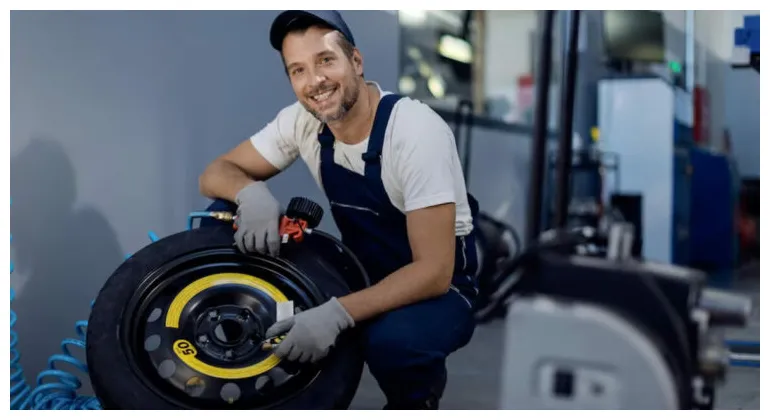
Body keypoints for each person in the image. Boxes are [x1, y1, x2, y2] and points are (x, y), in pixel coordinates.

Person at [198, 10, 480, 409]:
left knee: (394, 343)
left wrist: (336, 315)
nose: (314, 81)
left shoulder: (415, 131)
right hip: (362, 271)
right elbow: (215, 172)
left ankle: (414, 402)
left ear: (356, 62)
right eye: (298, 70)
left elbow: (433, 272)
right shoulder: (302, 122)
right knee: (221, 209)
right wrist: (250, 193)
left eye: (325, 60)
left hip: (440, 286)